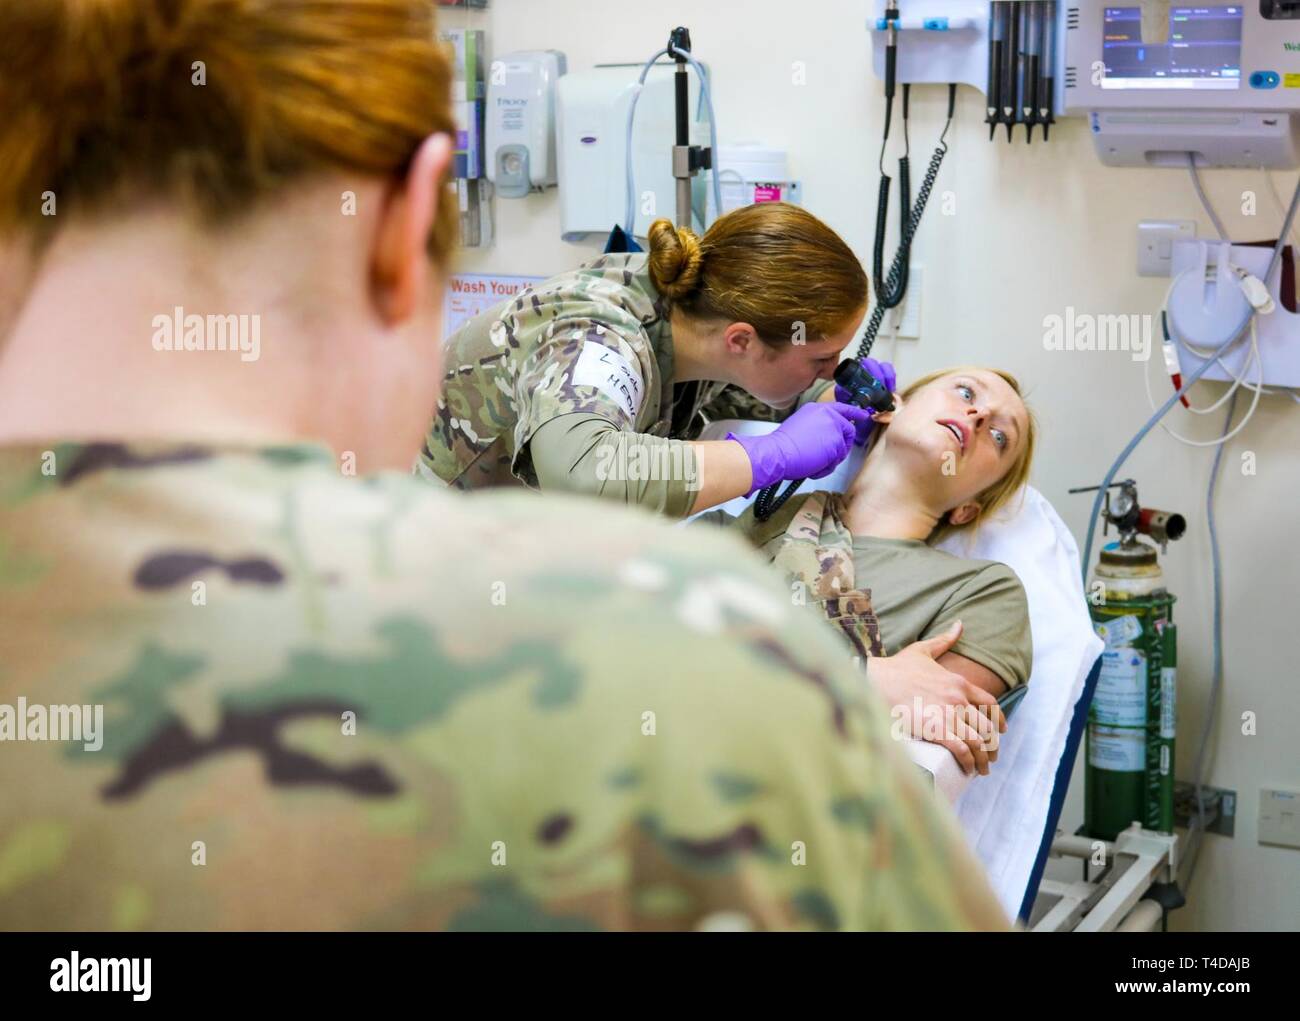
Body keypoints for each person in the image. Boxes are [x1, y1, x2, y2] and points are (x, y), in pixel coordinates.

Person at [0, 0, 1009, 931]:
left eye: (1000, 431)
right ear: (407, 230)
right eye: (965, 394)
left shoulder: (983, 584)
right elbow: (595, 469)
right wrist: (838, 647)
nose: (969, 419)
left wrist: (805, 407)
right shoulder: (679, 623)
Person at [421, 203, 882, 517]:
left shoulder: (699, 317)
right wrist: (770, 456)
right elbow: (586, 472)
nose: (837, 366)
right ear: (741, 340)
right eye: (823, 357)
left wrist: (830, 398)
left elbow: (740, 391)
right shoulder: (597, 334)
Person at [697, 367, 1038, 777]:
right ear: (888, 409)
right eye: (965, 392)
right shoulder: (746, 524)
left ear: (968, 508)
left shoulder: (983, 594)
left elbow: (904, 776)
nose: (979, 416)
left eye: (1000, 437)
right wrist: (861, 677)